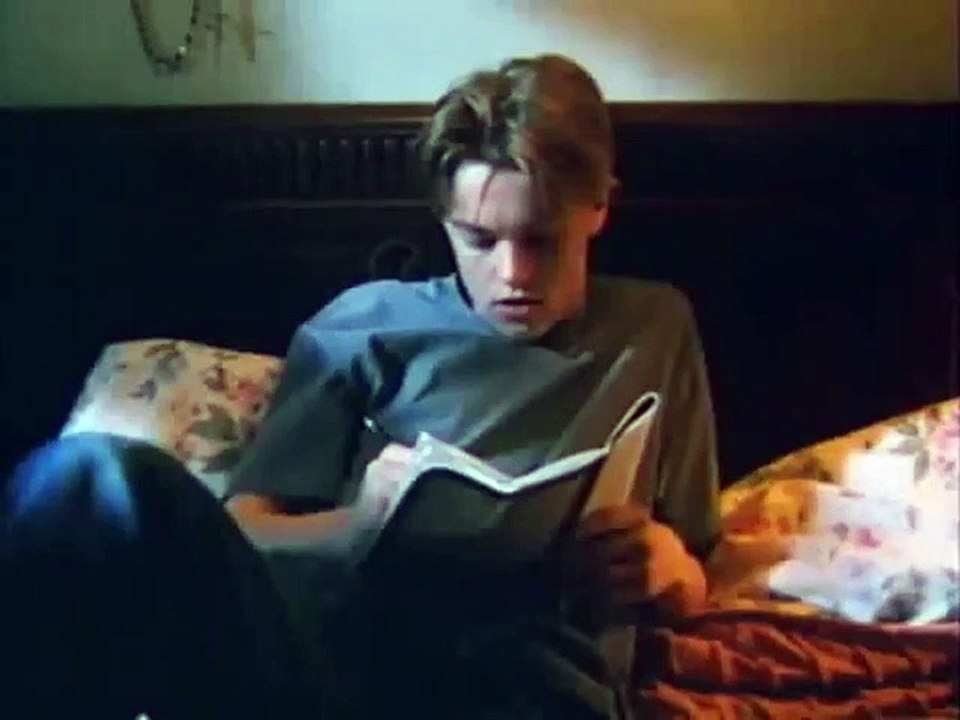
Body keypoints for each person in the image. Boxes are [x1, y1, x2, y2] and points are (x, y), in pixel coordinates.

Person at [2, 54, 720, 719]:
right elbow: (246, 528)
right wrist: (357, 527)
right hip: (351, 665)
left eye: (541, 239)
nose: (513, 274)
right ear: (444, 219)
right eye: (479, 239)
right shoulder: (359, 328)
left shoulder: (655, 327)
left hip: (537, 683)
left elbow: (701, 563)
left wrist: (672, 570)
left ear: (598, 206)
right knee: (86, 479)